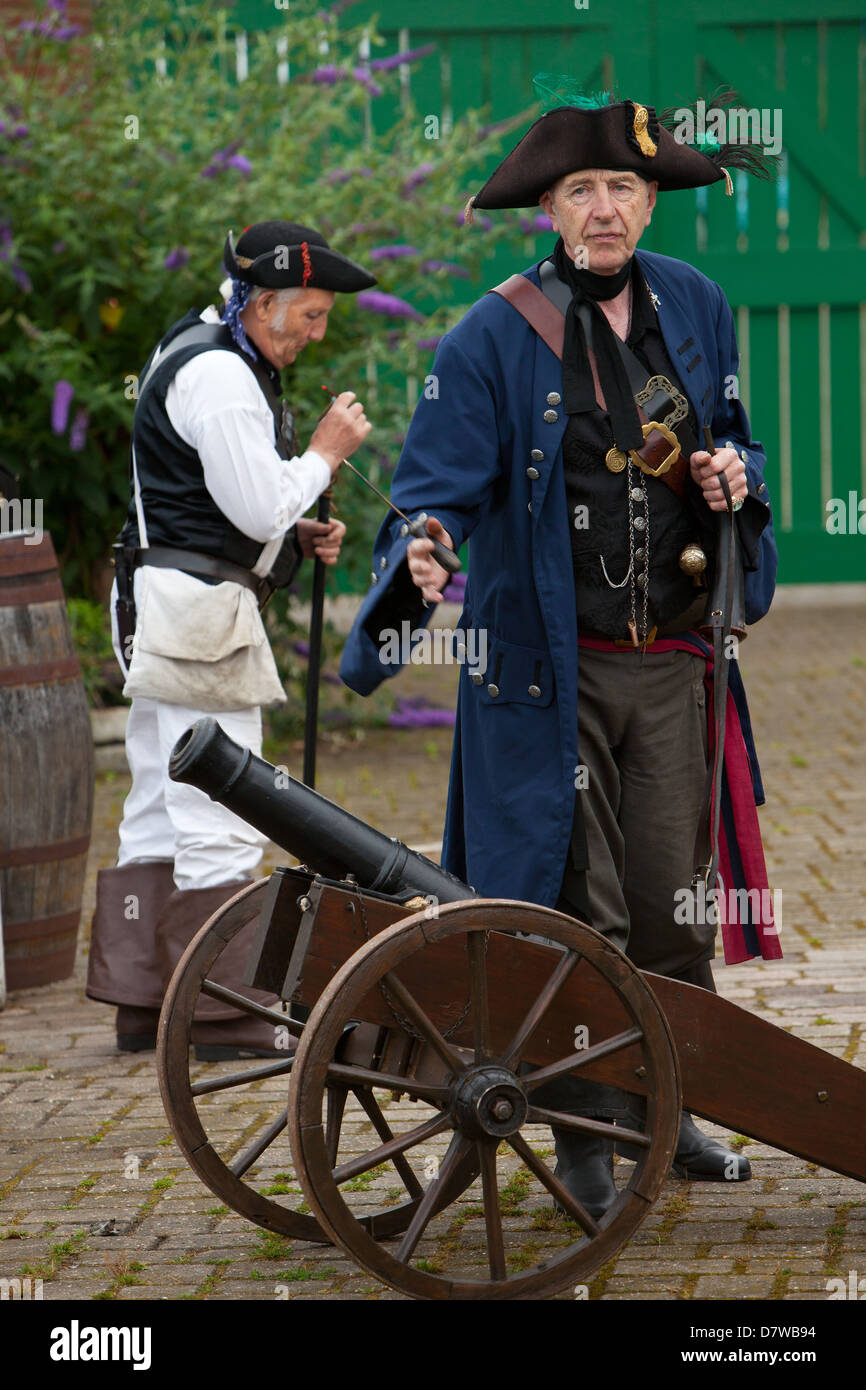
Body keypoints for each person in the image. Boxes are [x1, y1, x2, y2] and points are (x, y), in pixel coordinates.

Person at [340, 83, 782, 1215]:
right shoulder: (486, 337)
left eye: (622, 188)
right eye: (581, 188)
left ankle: (667, 1112)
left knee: (669, 899)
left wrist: (736, 476)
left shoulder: (696, 304)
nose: (603, 209)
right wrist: (424, 555)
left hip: (676, 664)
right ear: (547, 205)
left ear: (649, 202)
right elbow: (425, 501)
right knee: (568, 907)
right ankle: (583, 1135)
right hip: (547, 675)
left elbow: (729, 437)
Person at [87, 220, 375, 1059]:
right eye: (310, 315)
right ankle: (222, 1014)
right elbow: (255, 507)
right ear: (261, 302)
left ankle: (143, 1003)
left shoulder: (207, 348)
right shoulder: (220, 375)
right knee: (221, 801)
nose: (317, 333)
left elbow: (237, 508)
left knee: (155, 806)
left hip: (168, 601)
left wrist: (293, 538)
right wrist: (323, 456)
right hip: (197, 614)